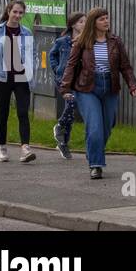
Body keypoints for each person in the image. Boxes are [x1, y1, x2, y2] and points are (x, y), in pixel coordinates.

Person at [58, 7, 136, 180]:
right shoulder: (81, 42)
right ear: (94, 22)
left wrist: (132, 85)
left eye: (107, 18)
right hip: (87, 88)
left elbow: (125, 66)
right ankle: (96, 165)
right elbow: (71, 66)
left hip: (110, 87)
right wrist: (65, 88)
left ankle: (92, 152)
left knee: (106, 128)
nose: (106, 22)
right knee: (94, 127)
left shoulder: (116, 41)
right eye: (102, 19)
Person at [0, 0, 36, 163]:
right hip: (3, 79)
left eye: (21, 13)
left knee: (23, 113)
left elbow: (33, 54)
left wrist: (30, 70)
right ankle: (3, 148)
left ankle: (25, 149)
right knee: (3, 114)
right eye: (15, 12)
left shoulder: (26, 32)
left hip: (22, 79)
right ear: (8, 11)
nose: (18, 15)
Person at [48, 11, 86, 161]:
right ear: (73, 25)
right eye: (81, 22)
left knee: (70, 108)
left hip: (78, 80)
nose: (84, 24)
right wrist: (57, 68)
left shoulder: (86, 41)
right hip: (63, 80)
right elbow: (52, 55)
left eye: (85, 21)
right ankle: (59, 127)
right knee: (71, 103)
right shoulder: (62, 41)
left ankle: (63, 141)